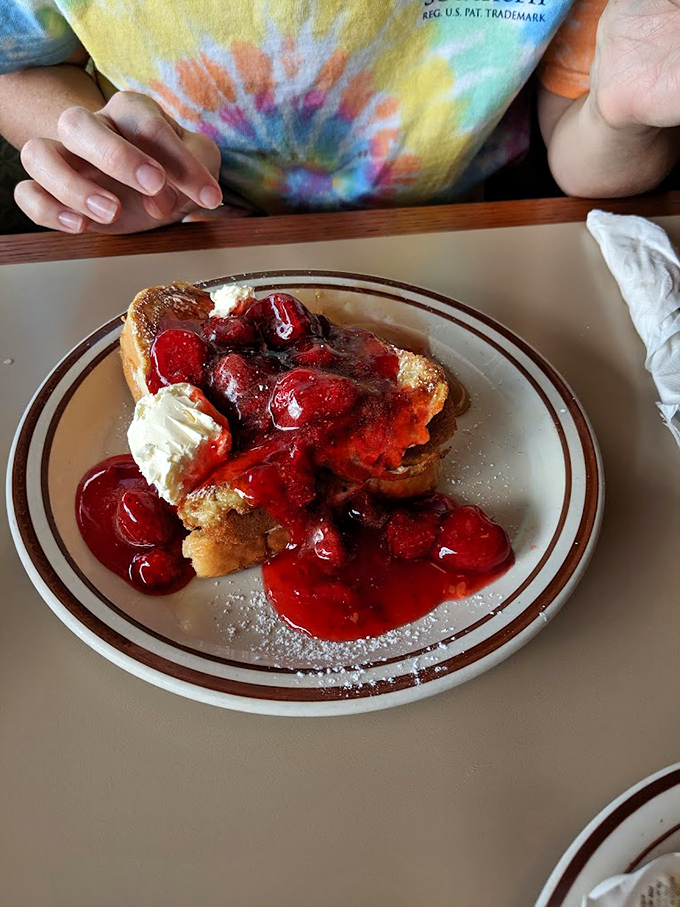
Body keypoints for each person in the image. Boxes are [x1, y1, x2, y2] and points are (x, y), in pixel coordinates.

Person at [0, 0, 677, 235]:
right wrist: (119, 161)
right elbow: (19, 63)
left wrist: (622, 115)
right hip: (174, 236)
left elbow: (577, 141)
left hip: (463, 228)